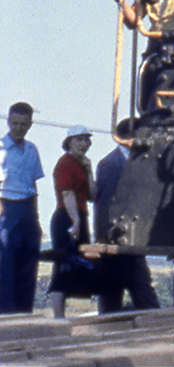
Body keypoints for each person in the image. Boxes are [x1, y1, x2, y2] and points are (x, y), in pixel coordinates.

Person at [94, 120, 159, 313]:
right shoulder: (109, 164)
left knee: (144, 294)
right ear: (127, 139)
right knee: (112, 299)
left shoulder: (139, 163)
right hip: (115, 242)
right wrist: (104, 239)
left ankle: (157, 329)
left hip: (133, 241)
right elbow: (103, 205)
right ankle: (105, 336)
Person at [48, 126, 100, 318]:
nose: (83, 144)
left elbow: (93, 195)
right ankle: (58, 316)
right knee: (64, 264)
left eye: (86, 140)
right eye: (79, 140)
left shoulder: (82, 164)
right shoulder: (65, 163)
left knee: (76, 263)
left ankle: (62, 315)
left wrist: (89, 171)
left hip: (79, 216)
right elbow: (67, 193)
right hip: (66, 217)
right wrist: (75, 221)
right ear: (69, 142)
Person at [0, 102, 43, 314]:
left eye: (23, 124)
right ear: (8, 122)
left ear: (29, 125)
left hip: (28, 208)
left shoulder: (32, 150)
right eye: (14, 123)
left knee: (29, 259)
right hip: (7, 207)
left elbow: (33, 185)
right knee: (6, 262)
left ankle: (24, 312)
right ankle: (6, 315)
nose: (18, 128)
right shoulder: (1, 150)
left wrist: (35, 216)